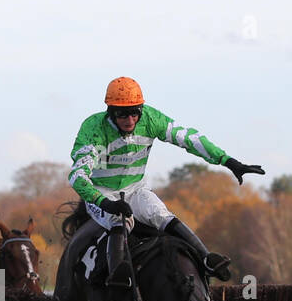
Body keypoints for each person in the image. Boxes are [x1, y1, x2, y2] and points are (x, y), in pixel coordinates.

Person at [69, 77, 265, 286]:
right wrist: (104, 202)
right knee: (119, 219)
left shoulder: (151, 119)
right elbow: (77, 177)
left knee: (159, 212)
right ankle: (117, 277)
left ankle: (206, 258)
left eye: (135, 112)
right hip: (101, 192)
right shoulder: (94, 129)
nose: (130, 120)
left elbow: (189, 139)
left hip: (135, 188)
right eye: (122, 114)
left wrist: (227, 161)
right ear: (110, 112)